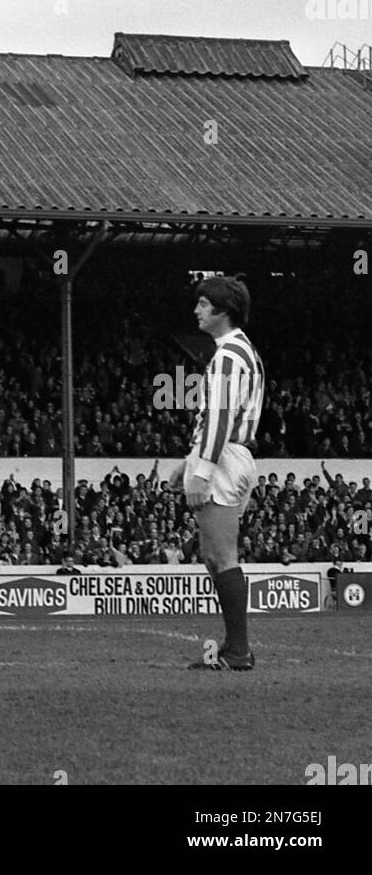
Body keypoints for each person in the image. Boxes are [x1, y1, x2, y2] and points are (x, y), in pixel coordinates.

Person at [173, 274, 264, 671]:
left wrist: (202, 469)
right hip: (228, 454)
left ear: (223, 310)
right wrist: (189, 461)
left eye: (204, 304)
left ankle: (238, 651)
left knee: (222, 556)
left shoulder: (227, 355)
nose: (197, 310)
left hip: (225, 458)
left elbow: (221, 417)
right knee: (214, 555)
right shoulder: (243, 351)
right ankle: (234, 647)